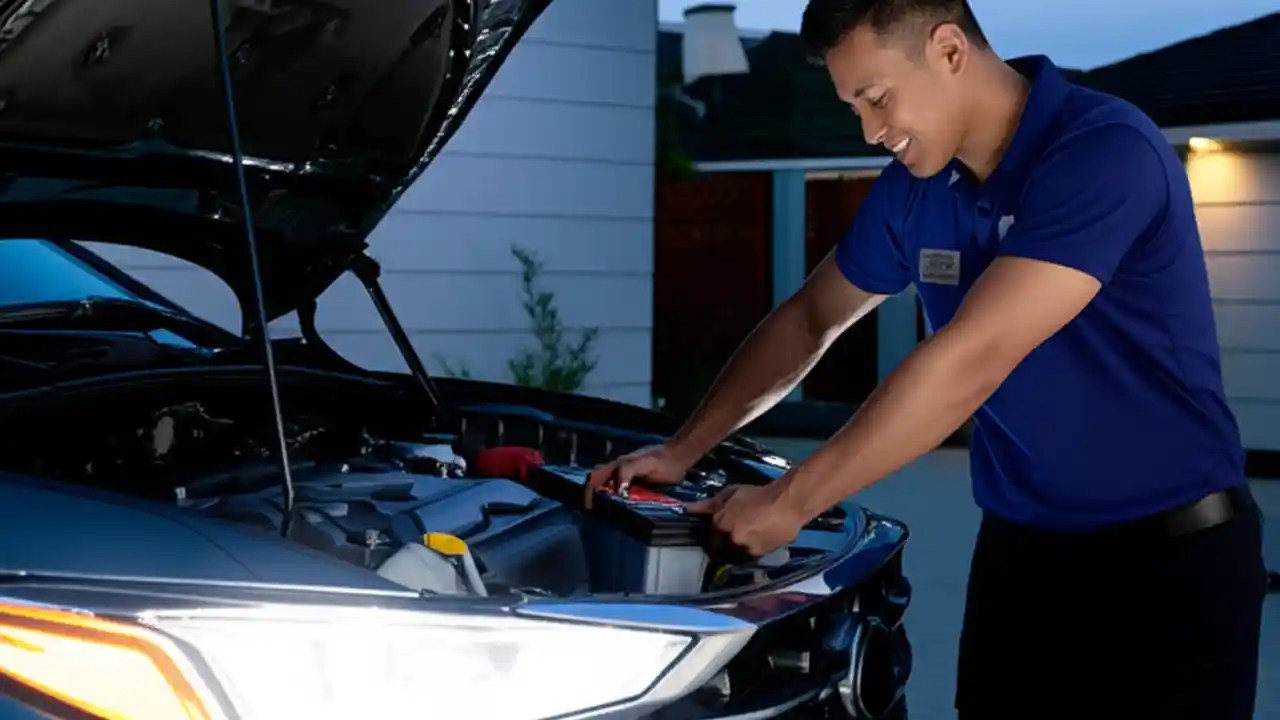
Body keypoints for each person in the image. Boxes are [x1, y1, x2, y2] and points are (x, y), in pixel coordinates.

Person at [586, 0, 1268, 717]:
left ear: (948, 50)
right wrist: (685, 448)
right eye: (853, 107)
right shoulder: (916, 192)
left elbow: (975, 358)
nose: (872, 131)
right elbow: (811, 319)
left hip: (1170, 562)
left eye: (877, 98)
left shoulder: (1102, 152)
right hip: (1023, 557)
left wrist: (793, 501)